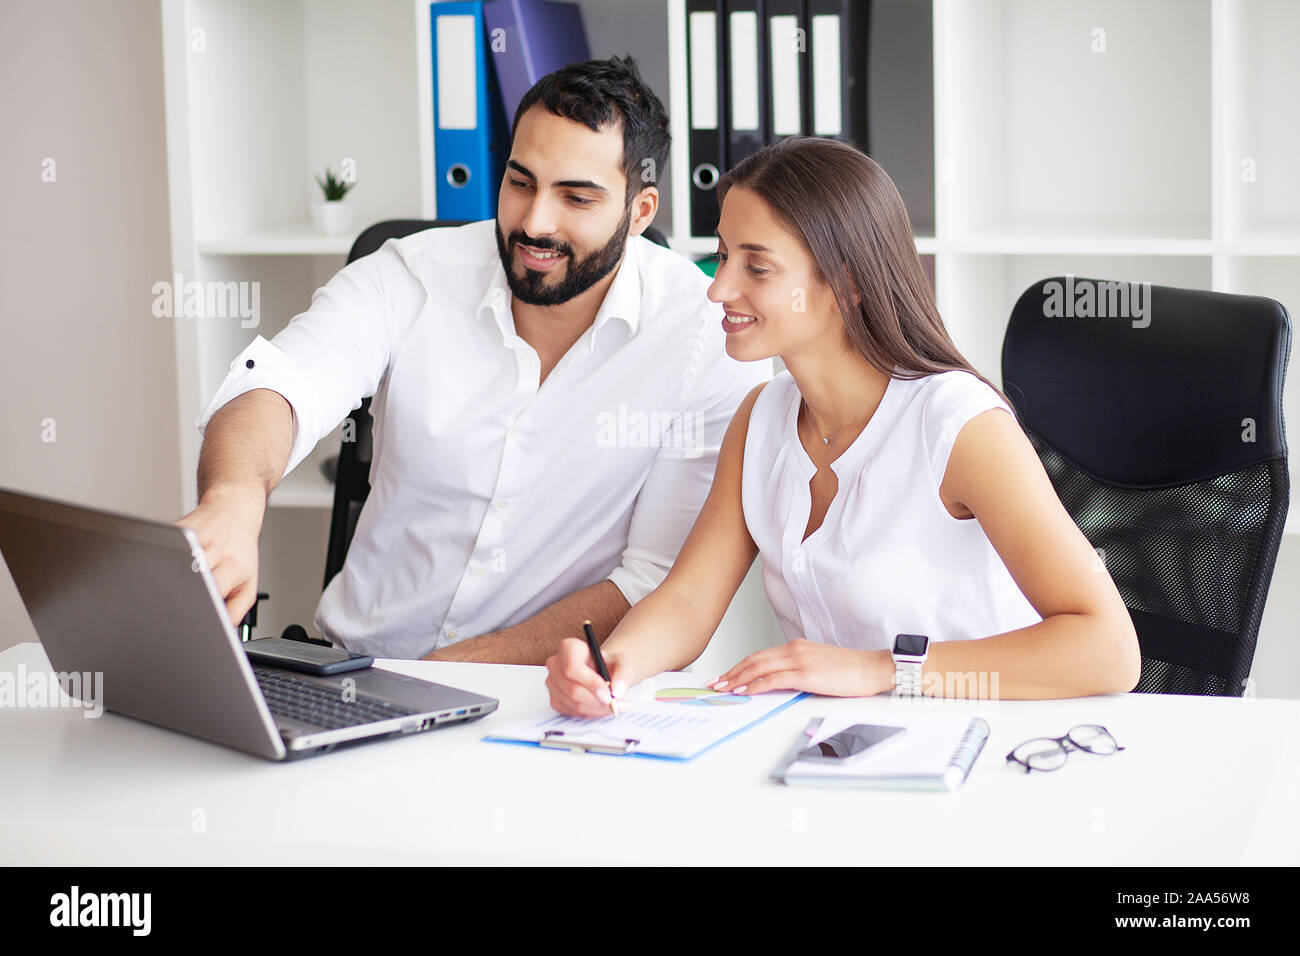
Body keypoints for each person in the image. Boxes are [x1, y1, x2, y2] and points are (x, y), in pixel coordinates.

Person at [177, 57, 769, 662]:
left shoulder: (707, 335)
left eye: (576, 197)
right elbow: (280, 385)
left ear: (640, 212)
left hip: (540, 696)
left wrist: (443, 681)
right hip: (357, 673)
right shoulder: (410, 275)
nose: (535, 221)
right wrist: (232, 499)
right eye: (520, 182)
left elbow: (652, 581)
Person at [545, 136, 1142, 711]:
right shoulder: (760, 420)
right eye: (724, 256)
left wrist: (879, 669)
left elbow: (1109, 650)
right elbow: (687, 601)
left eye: (758, 267)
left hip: (989, 750)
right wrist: (611, 668)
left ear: (848, 284)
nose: (719, 288)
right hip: (844, 755)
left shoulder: (959, 426)